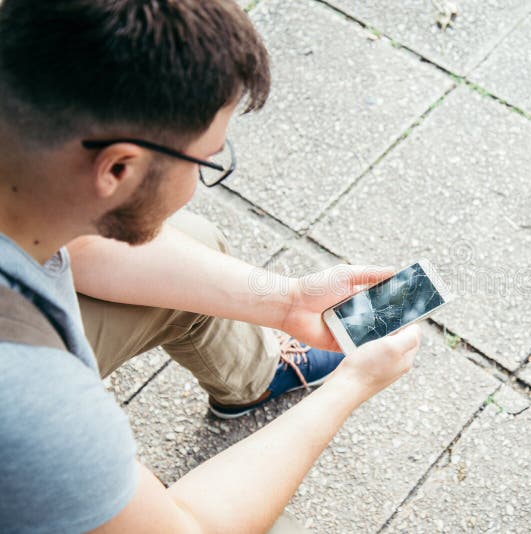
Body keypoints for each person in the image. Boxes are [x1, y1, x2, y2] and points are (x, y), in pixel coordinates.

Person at [0, 1, 421, 532]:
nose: (199, 181)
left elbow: (80, 247)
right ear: (118, 167)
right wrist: (352, 385)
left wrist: (288, 302)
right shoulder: (35, 400)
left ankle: (253, 376)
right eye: (206, 160)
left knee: (193, 243)